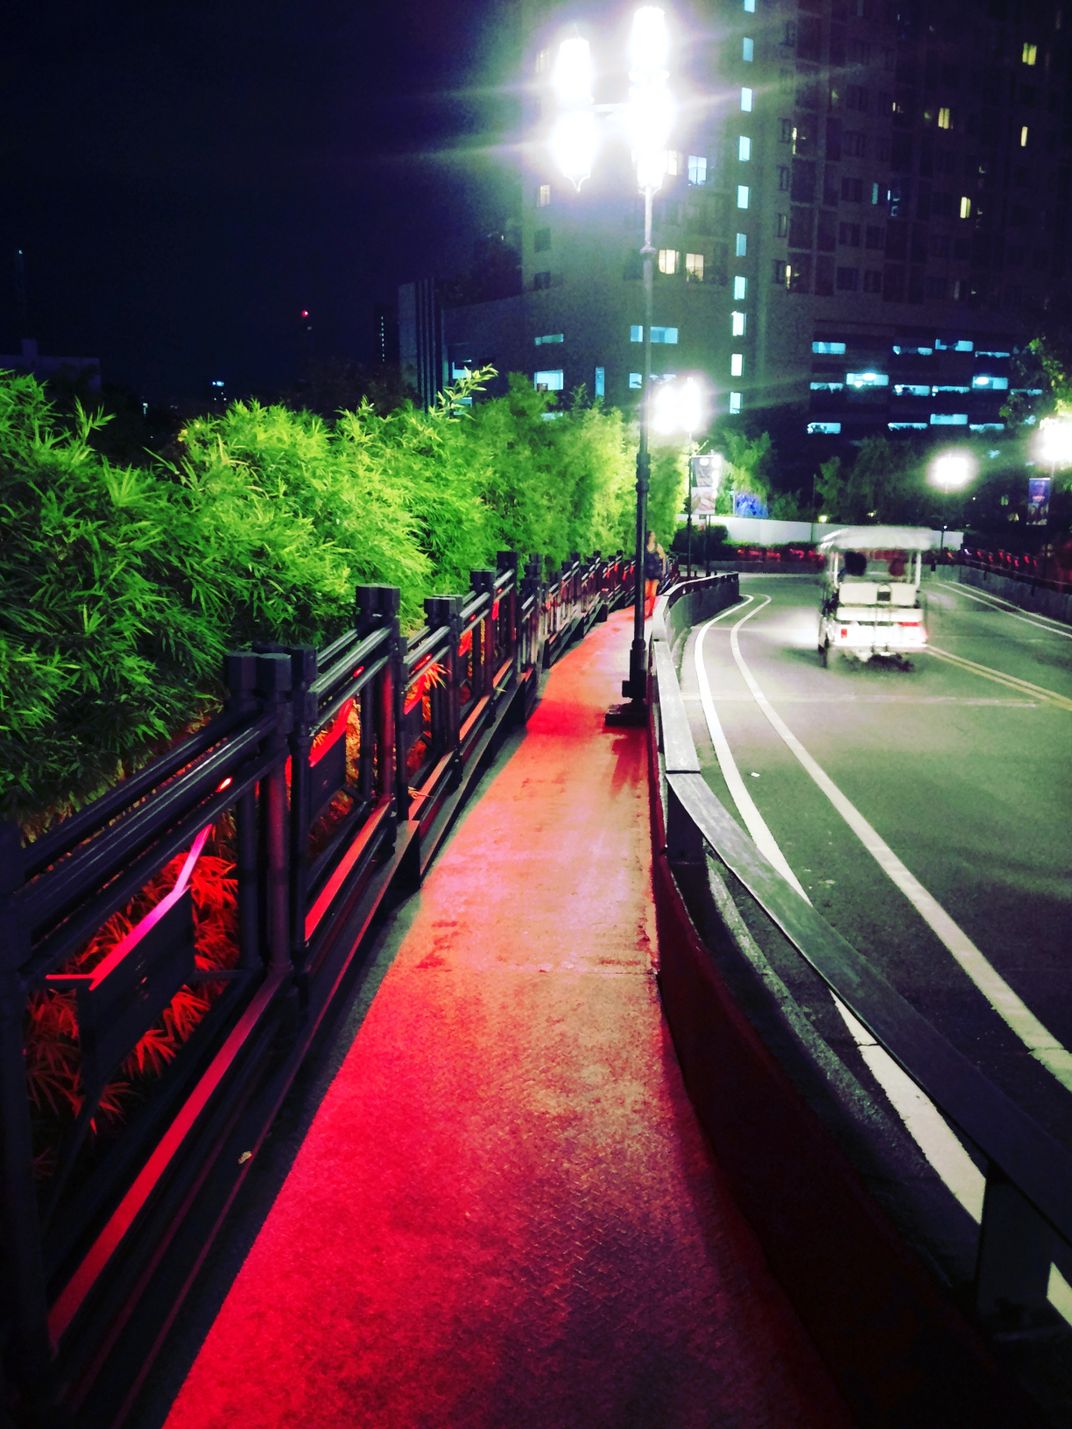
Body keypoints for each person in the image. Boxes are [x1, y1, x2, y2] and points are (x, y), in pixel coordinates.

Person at [643, 530, 665, 619]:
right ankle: (647, 608)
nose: (652, 537)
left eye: (653, 535)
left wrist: (663, 570)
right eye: (651, 535)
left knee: (652, 593)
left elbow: (663, 557)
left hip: (655, 572)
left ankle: (651, 610)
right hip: (647, 572)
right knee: (646, 592)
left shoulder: (657, 546)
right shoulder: (644, 547)